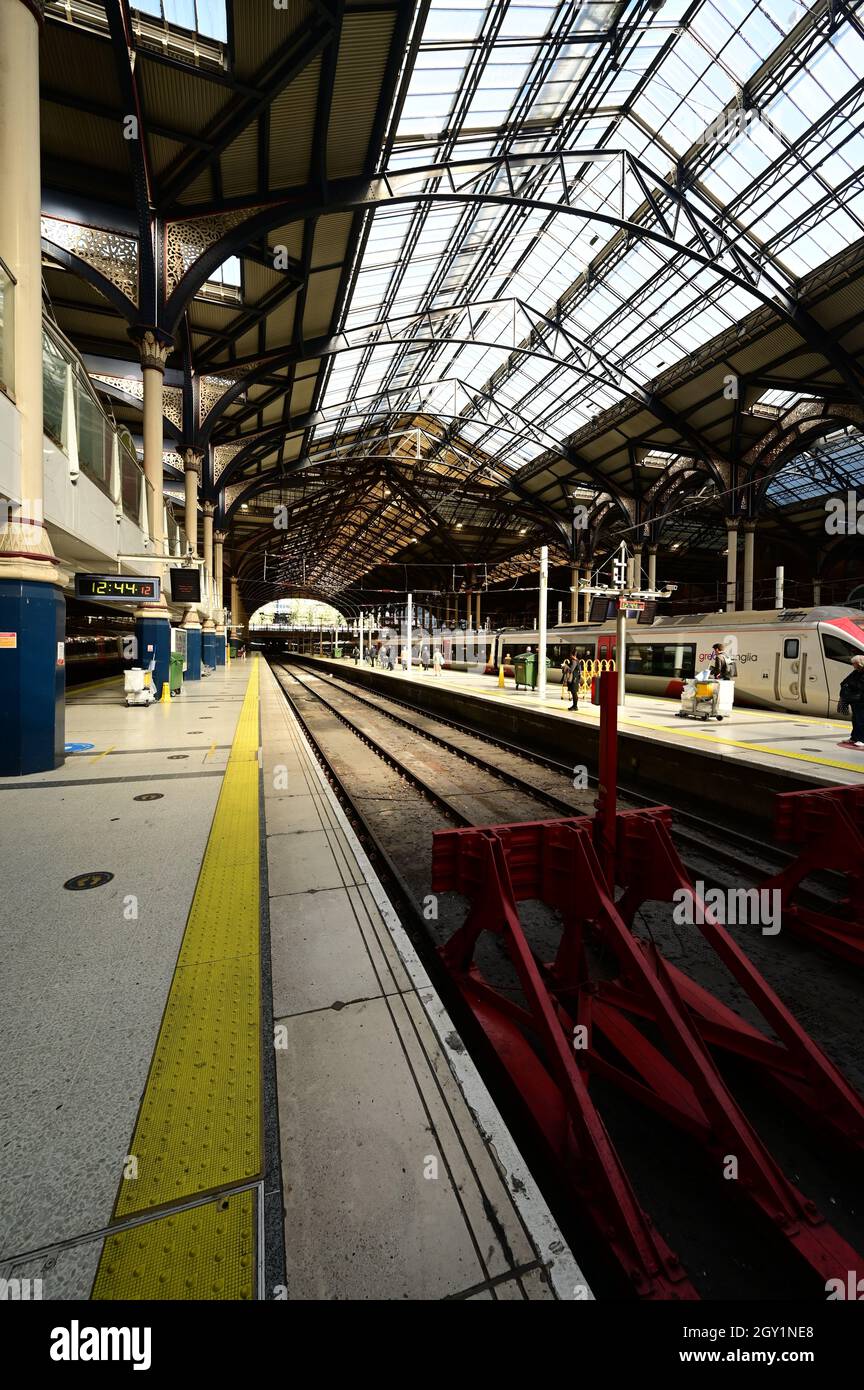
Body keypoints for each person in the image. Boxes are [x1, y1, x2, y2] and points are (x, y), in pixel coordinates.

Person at [838, 654, 864, 748]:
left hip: (861, 701)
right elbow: (844, 682)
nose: (853, 665)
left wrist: (850, 685)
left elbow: (860, 686)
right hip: (854, 700)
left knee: (861, 720)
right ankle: (854, 738)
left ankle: (862, 739)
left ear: (859, 663)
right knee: (855, 720)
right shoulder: (855, 672)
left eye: (854, 664)